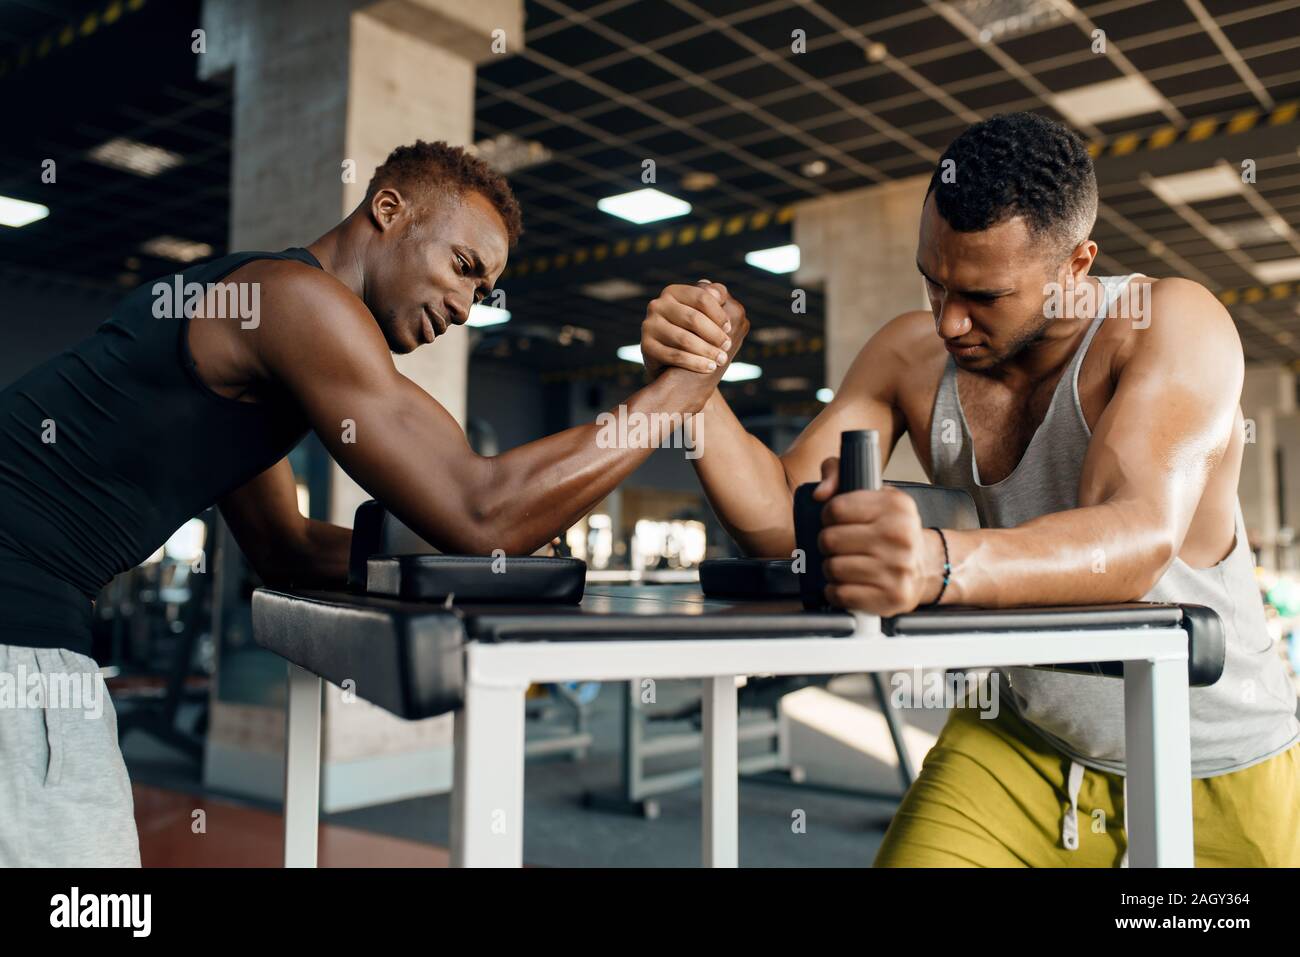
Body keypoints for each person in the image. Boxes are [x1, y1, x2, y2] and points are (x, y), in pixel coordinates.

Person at [0, 140, 746, 866]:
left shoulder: (256, 322)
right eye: (462, 267)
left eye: (483, 294)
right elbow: (483, 507)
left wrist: (464, 564)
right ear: (388, 208)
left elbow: (283, 547)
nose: (465, 305)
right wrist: (684, 386)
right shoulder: (295, 302)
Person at [640, 112, 1300, 867]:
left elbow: (1135, 537)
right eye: (933, 279)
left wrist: (938, 565)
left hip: (1218, 763)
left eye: (985, 296)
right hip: (1028, 745)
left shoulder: (1170, 325)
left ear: (1076, 265)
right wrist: (689, 382)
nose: (950, 319)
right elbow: (782, 519)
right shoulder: (908, 356)